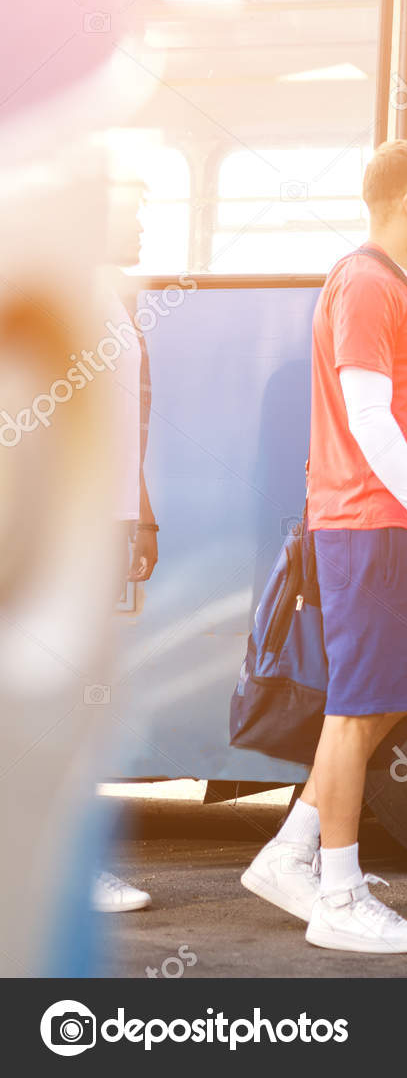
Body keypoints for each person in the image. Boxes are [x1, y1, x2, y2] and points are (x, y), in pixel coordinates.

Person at [241, 140, 407, 955]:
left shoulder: (394, 286)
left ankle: (292, 852)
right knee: (356, 708)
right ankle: (340, 896)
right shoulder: (367, 283)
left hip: (383, 527)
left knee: (388, 699)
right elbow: (367, 416)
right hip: (369, 524)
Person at [92, 176, 158, 915]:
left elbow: (122, 420)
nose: (142, 227)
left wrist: (140, 516)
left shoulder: (113, 299)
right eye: (130, 214)